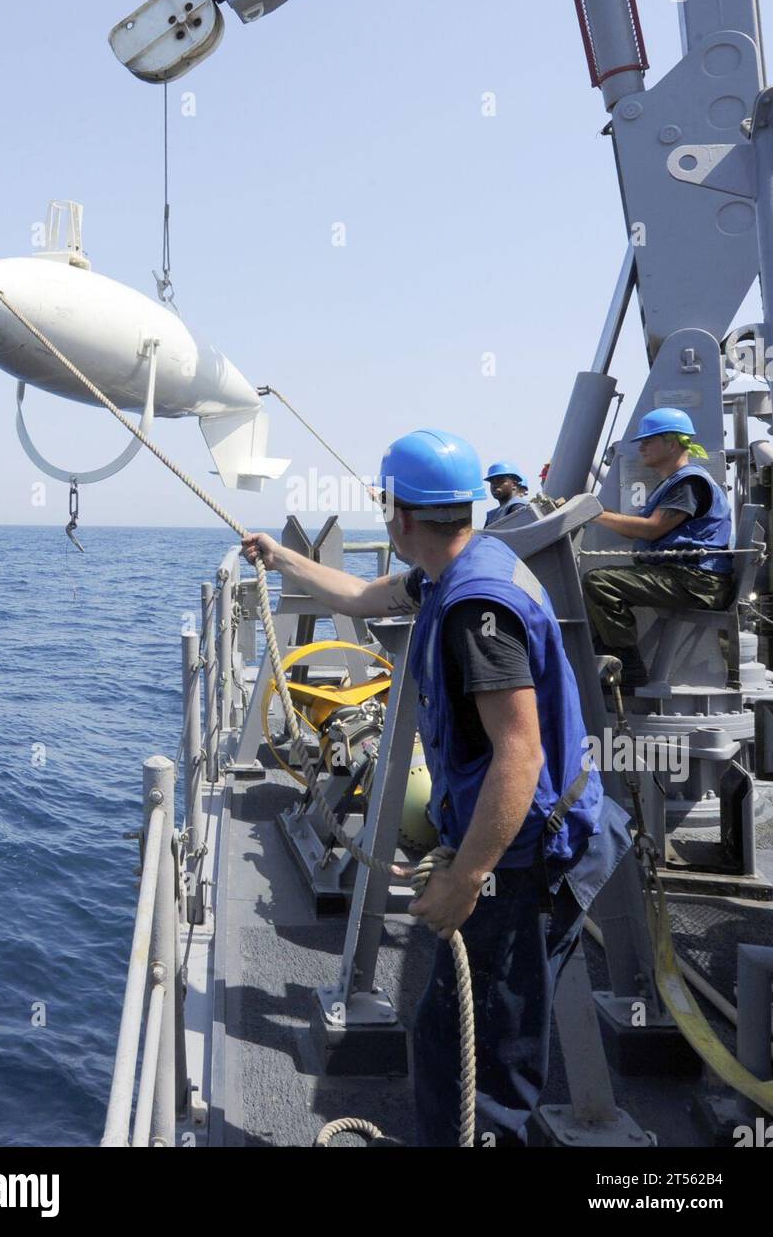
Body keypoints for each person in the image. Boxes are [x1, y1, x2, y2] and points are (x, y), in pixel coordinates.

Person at [242, 428, 631, 1147]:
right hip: (547, 843)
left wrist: (466, 876)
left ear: (400, 514)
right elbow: (361, 595)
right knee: (466, 1034)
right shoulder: (458, 566)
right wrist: (283, 556)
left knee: (478, 1059)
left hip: (523, 867)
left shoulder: (473, 611)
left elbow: (519, 753)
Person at [582, 409, 733, 690]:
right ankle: (607, 658)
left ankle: (628, 669)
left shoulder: (688, 483)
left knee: (600, 582)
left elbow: (651, 529)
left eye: (648, 440)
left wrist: (591, 514)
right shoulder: (677, 483)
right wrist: (594, 509)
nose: (641, 447)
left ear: (672, 444)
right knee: (601, 581)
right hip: (687, 576)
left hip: (697, 581)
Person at [483, 460, 529, 527]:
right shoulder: (492, 515)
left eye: (500, 481)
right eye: (492, 482)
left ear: (514, 485)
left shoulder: (518, 507)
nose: (495, 485)